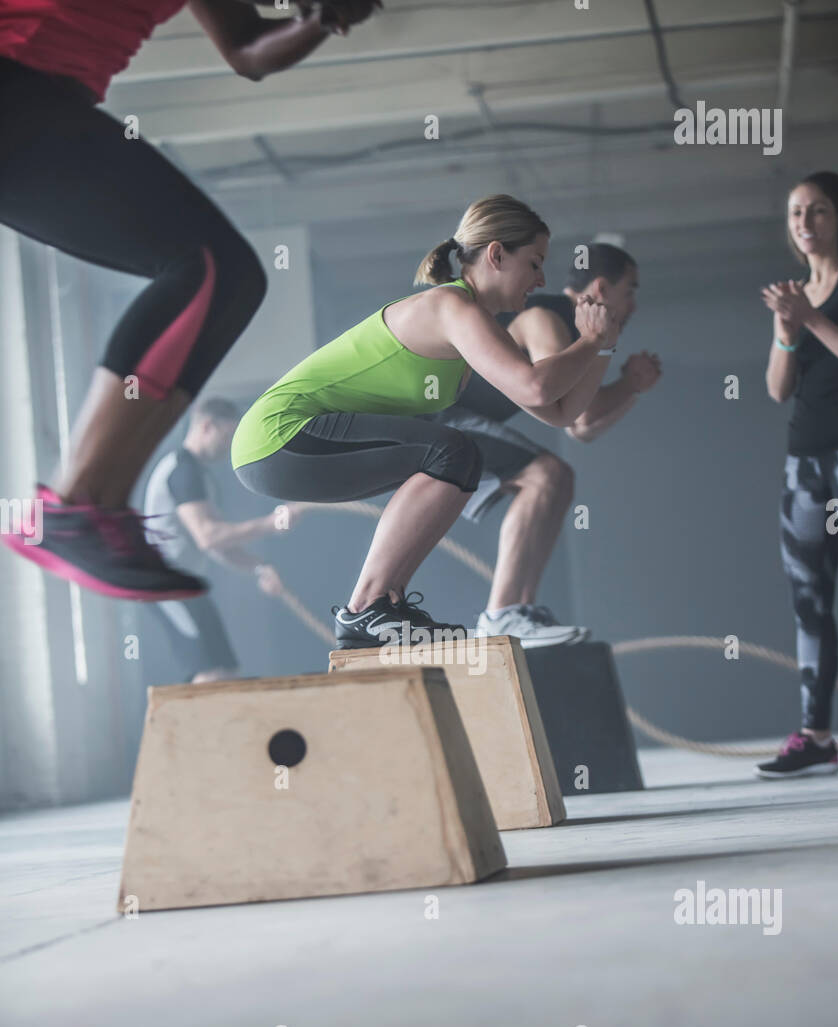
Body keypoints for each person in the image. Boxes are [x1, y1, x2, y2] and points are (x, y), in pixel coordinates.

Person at [0, 0, 381, 601]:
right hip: (17, 84)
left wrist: (322, 18)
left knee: (229, 279)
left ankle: (96, 510)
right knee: (203, 266)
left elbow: (247, 49)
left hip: (44, 101)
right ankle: (74, 508)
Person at [231, 194, 619, 649]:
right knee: (452, 451)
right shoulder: (451, 308)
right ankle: (367, 609)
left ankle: (380, 613)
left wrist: (603, 348)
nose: (541, 279)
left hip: (287, 450)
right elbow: (536, 387)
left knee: (455, 456)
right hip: (281, 435)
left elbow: (559, 412)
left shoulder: (478, 329)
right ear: (496, 254)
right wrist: (588, 342)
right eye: (534, 263)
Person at [431, 241, 662, 646]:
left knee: (557, 479)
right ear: (603, 289)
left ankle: (518, 611)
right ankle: (502, 614)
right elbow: (578, 411)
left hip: (461, 424)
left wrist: (632, 390)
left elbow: (581, 430)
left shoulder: (576, 336)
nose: (634, 306)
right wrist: (628, 382)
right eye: (631, 291)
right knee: (547, 476)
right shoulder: (547, 316)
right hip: (438, 420)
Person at [756, 171, 838, 779]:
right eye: (797, 212)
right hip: (805, 462)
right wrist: (786, 329)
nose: (805, 222)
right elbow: (778, 390)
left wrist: (814, 319)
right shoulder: (794, 294)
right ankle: (816, 737)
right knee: (809, 600)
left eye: (818, 211)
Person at [142, 398, 300, 681]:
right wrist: (271, 523)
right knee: (210, 673)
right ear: (207, 426)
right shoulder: (183, 470)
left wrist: (259, 567)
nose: (229, 448)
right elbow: (208, 537)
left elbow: (218, 546)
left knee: (227, 670)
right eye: (227, 437)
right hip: (165, 585)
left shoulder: (201, 476)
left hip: (187, 585)